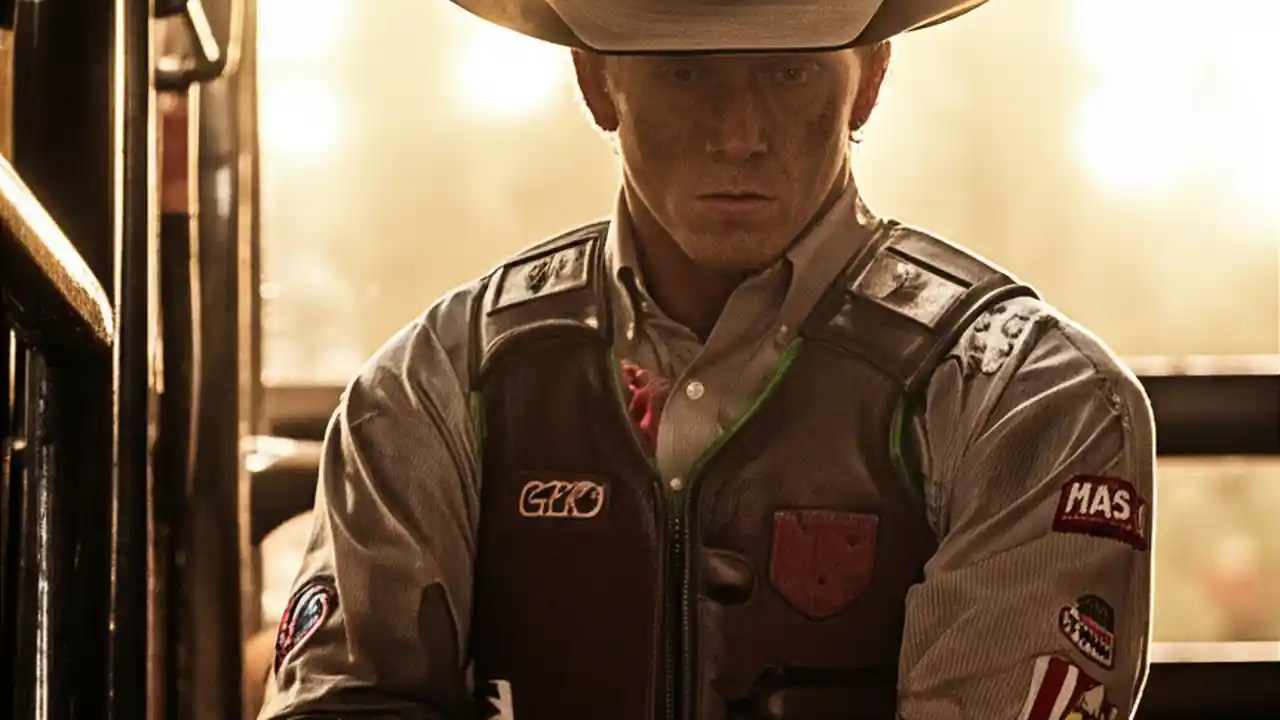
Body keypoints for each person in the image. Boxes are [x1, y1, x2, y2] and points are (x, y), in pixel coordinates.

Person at [258, 1, 1156, 718]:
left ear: (869, 80)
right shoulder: (432, 387)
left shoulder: (1031, 397)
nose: (738, 132)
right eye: (684, 71)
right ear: (598, 83)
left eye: (789, 69)